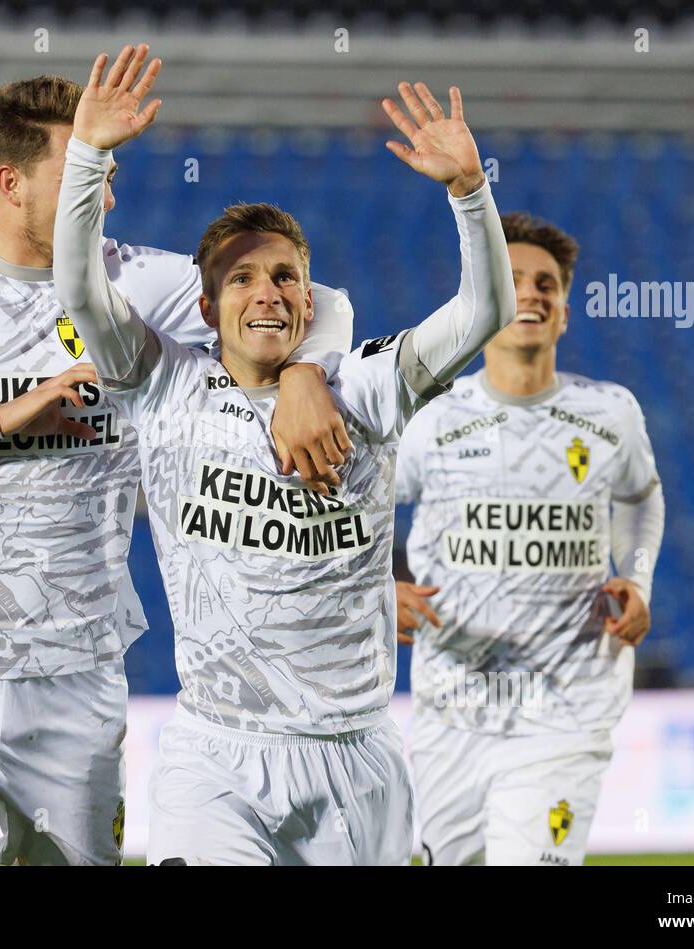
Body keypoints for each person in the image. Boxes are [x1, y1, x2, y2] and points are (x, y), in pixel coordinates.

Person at [0, 54, 355, 866]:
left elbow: (324, 299)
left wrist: (306, 371)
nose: (107, 190)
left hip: (73, 674)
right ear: (9, 181)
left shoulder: (145, 283)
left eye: (112, 166)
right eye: (83, 163)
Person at [53, 45, 515, 863]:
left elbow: (482, 313)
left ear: (311, 297)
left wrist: (469, 193)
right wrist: (89, 155)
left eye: (285, 276)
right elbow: (82, 290)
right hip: (216, 753)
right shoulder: (163, 384)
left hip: (357, 758)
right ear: (206, 304)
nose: (265, 290)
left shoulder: (366, 387)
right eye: (240, 279)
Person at [393, 211, 666, 865]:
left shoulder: (610, 412)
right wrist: (383, 587)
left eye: (547, 284)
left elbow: (640, 497)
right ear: (486, 306)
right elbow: (355, 507)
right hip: (451, 706)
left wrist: (637, 575)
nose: (533, 294)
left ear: (565, 311)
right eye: (513, 282)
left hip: (566, 703)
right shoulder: (429, 417)